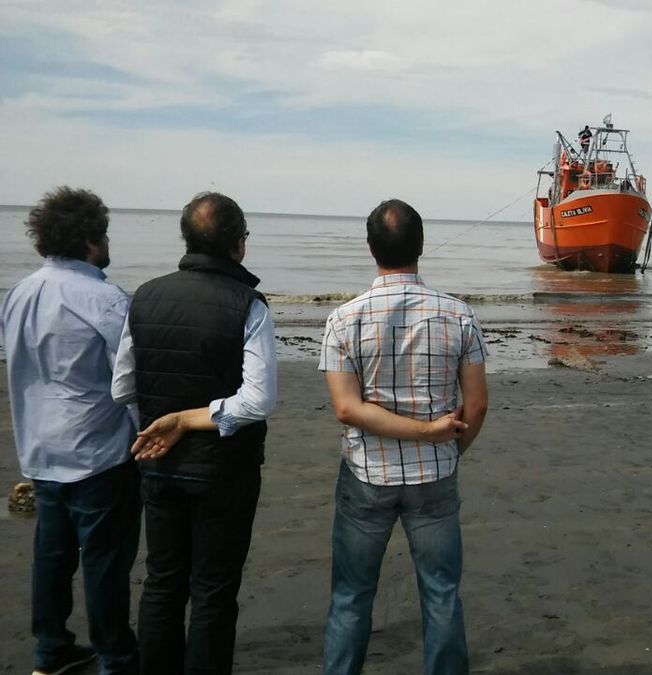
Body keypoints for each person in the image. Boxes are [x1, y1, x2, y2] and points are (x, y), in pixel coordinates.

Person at [319, 199, 488, 675]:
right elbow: (476, 404)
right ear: (421, 246)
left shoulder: (343, 320)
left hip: (367, 473)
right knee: (440, 592)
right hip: (434, 473)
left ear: (371, 248)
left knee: (351, 594)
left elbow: (346, 408)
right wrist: (447, 444)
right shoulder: (458, 315)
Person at [111, 192, 277, 674]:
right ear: (237, 245)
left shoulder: (146, 295)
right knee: (213, 590)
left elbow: (122, 386)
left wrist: (171, 412)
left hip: (158, 462)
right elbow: (259, 400)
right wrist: (187, 418)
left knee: (163, 582)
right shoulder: (249, 303)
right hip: (224, 470)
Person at [1, 187, 140, 675]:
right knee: (104, 561)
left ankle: (52, 647)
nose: (106, 241)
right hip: (96, 449)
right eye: (102, 233)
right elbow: (128, 380)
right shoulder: (104, 299)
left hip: (40, 444)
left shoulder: (18, 293)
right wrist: (144, 434)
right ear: (88, 238)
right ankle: (115, 656)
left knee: (52, 555)